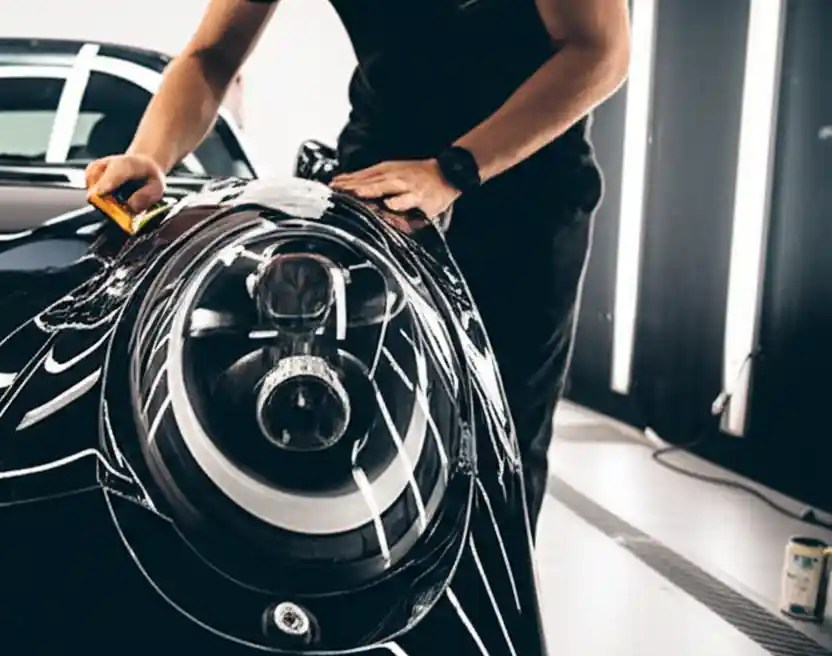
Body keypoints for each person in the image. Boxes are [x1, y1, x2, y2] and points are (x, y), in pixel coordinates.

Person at [86, 0, 630, 530]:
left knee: (497, 438)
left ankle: (482, 615)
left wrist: (452, 170)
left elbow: (599, 50)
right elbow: (212, 54)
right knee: (357, 429)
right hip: (377, 191)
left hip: (519, 193)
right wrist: (151, 154)